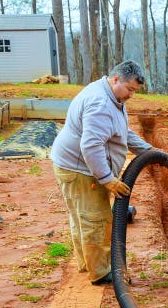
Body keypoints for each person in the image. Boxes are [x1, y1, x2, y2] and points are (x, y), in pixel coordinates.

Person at [51, 60, 153, 285]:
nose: (131, 95)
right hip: (80, 170)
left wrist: (151, 152)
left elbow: (122, 133)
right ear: (116, 79)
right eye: (130, 89)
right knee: (95, 220)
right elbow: (91, 146)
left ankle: (87, 263)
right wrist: (108, 179)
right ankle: (99, 272)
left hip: (75, 166)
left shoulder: (112, 96)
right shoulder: (100, 103)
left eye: (135, 91)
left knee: (83, 217)